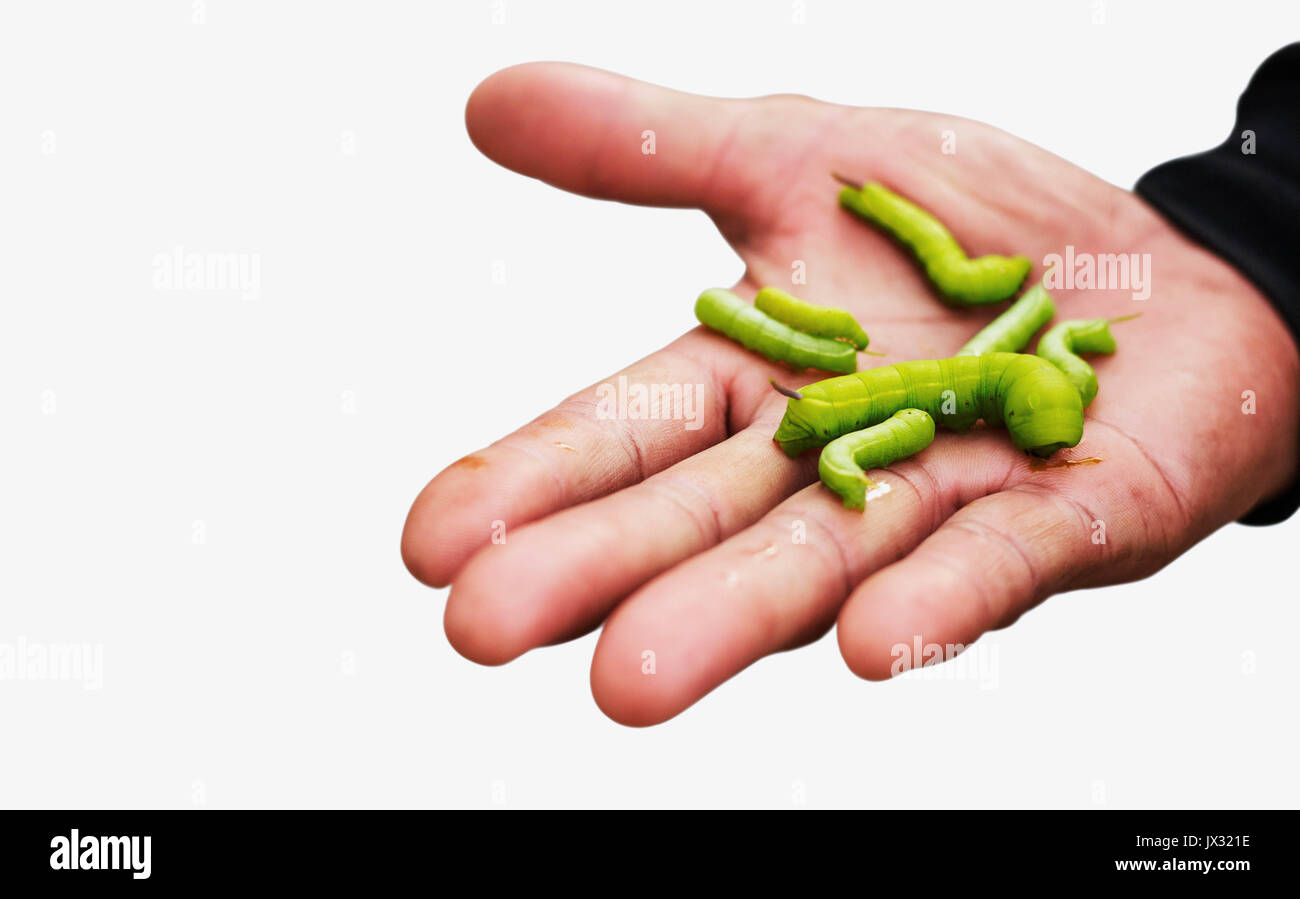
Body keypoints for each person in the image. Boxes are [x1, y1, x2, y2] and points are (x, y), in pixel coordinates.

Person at [402, 47, 1300, 726]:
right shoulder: (983, 371)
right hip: (850, 412)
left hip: (858, 411)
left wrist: (1258, 268)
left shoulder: (1000, 374)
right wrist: (1258, 222)